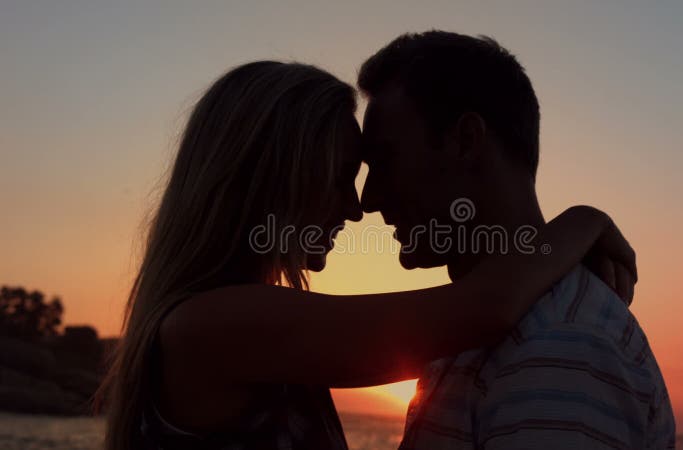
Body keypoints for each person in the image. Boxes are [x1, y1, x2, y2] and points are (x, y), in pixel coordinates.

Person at [97, 60, 637, 450]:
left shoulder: (222, 321)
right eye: (339, 178)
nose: (358, 207)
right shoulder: (215, 324)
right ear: (275, 178)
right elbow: (483, 306)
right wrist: (584, 220)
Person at [358, 31, 675, 449]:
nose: (368, 199)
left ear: (467, 140)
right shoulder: (472, 325)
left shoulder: (560, 346)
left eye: (385, 160)